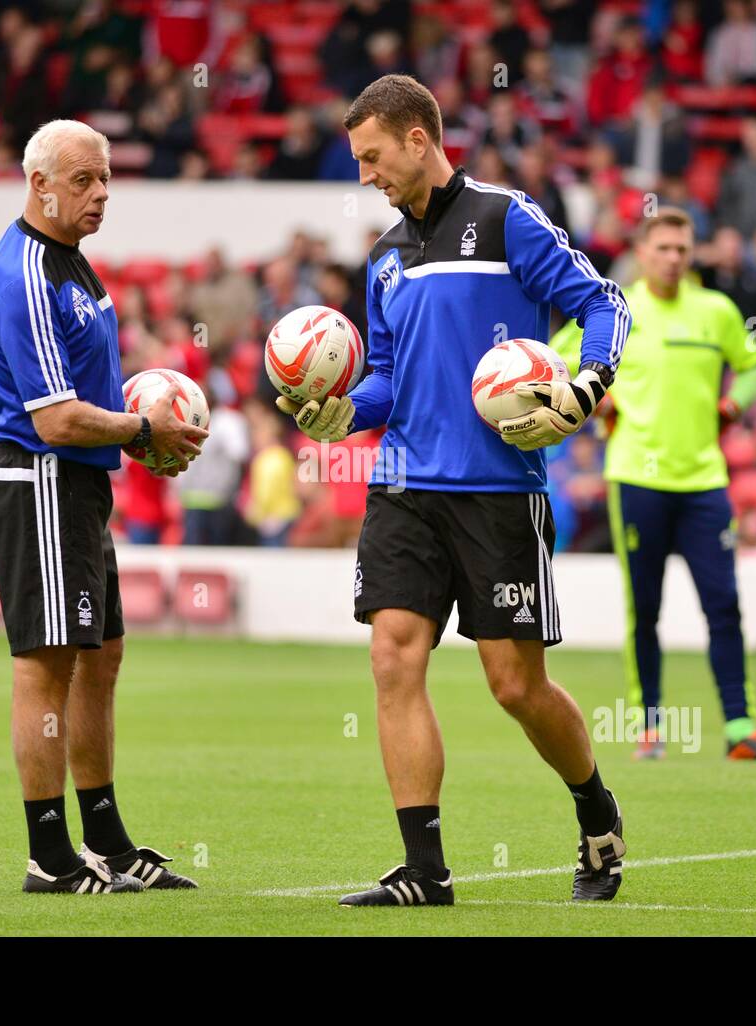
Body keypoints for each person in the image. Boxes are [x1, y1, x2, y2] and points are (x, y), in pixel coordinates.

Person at [278, 74, 632, 906]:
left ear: (417, 139)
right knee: (392, 658)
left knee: (515, 685)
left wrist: (586, 386)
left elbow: (604, 303)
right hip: (403, 487)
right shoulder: (385, 257)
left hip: (498, 490)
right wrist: (339, 413)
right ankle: (424, 871)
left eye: (372, 157)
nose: (365, 176)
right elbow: (392, 380)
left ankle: (596, 810)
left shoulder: (509, 219)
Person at [0, 120, 208, 895]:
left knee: (99, 659)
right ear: (39, 185)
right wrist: (145, 428)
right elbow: (53, 416)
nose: (101, 192)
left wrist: (142, 435)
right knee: (45, 668)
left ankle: (105, 840)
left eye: (105, 177)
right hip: (40, 478)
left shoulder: (74, 265)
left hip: (77, 486)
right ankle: (50, 854)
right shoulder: (29, 273)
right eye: (83, 180)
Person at [554, 207, 756, 762]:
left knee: (725, 605)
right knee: (646, 609)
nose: (674, 258)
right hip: (637, 477)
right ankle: (649, 728)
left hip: (705, 480)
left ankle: (741, 729)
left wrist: (734, 404)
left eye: (683, 249)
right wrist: (596, 396)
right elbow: (552, 361)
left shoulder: (716, 311)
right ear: (642, 253)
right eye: (663, 247)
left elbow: (755, 366)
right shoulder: (614, 310)